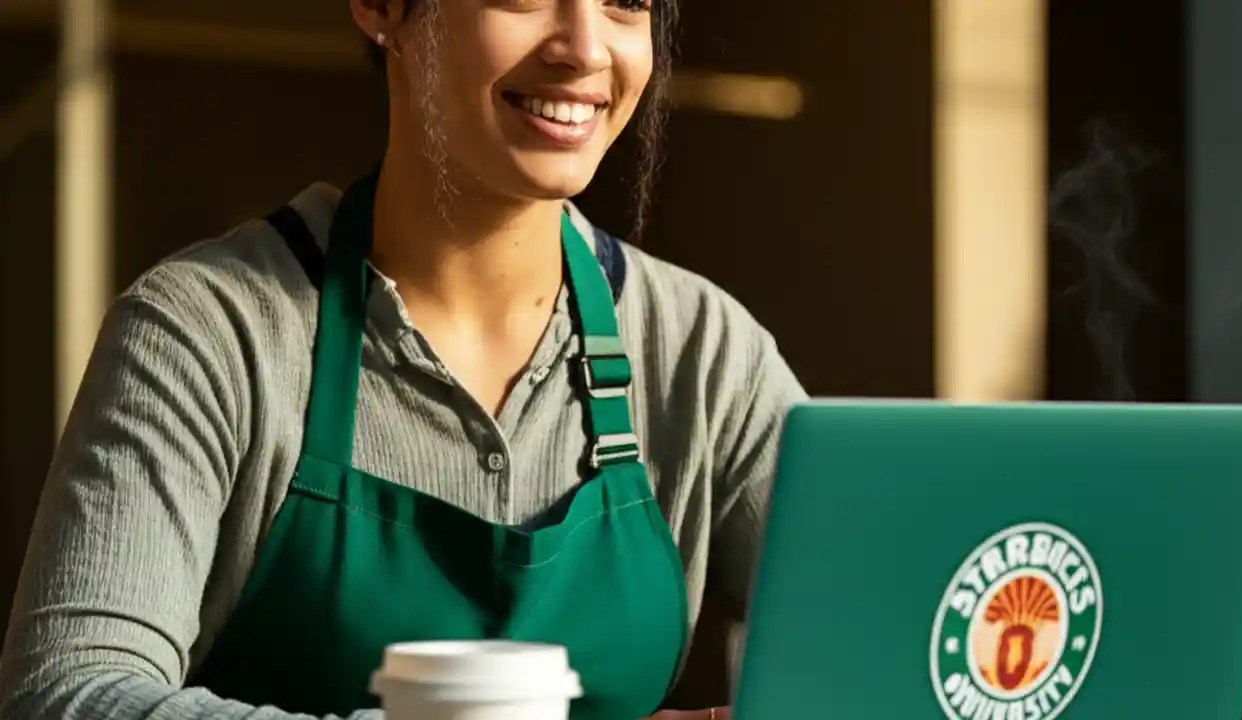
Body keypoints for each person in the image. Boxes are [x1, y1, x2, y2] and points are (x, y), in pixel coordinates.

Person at [0, 0, 805, 718]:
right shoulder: (207, 334)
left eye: (627, 1)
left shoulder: (705, 353)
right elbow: (70, 691)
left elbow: (896, 644)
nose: (585, 46)